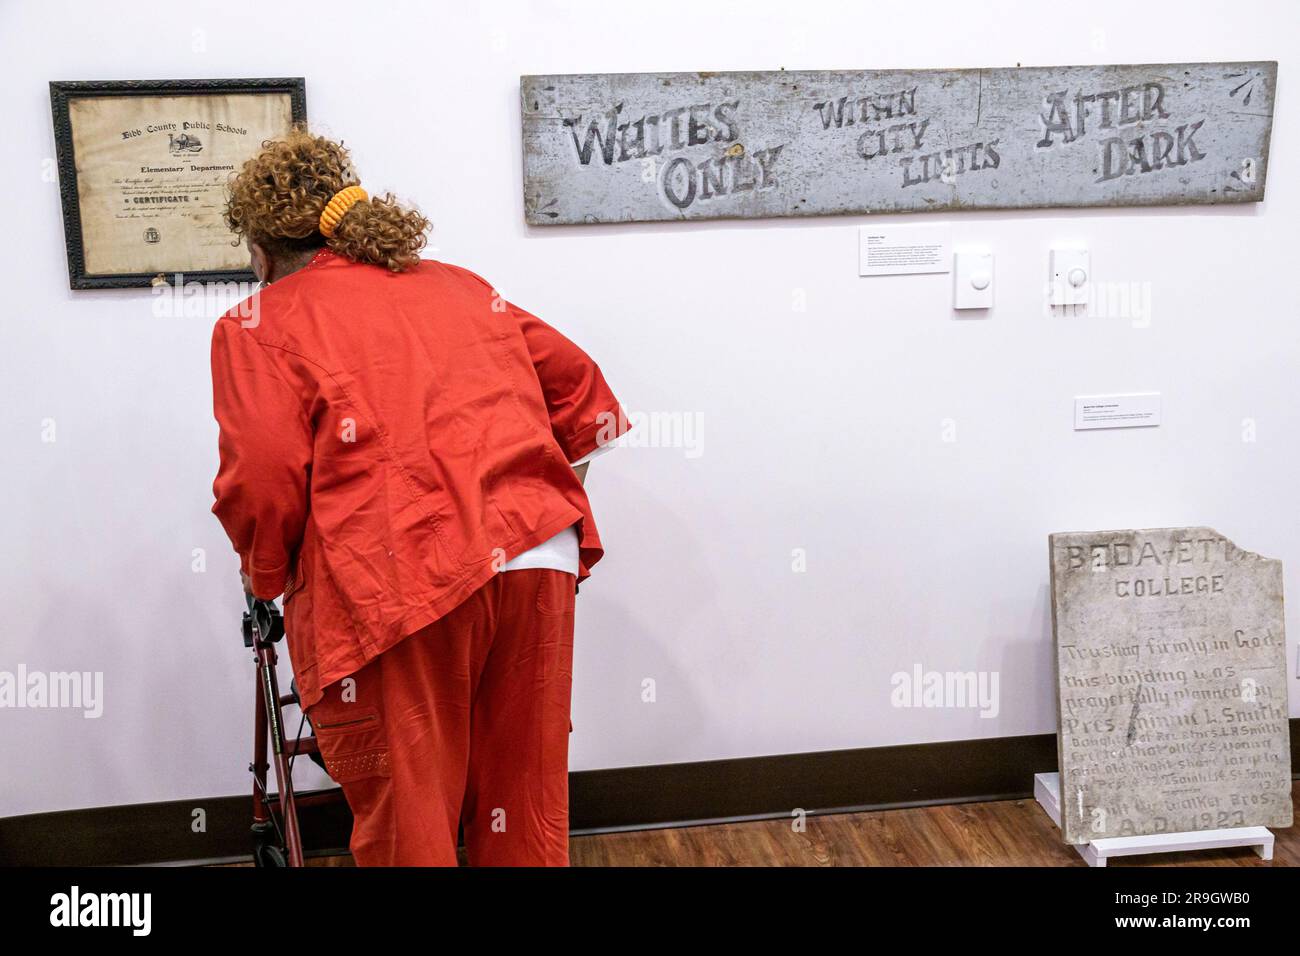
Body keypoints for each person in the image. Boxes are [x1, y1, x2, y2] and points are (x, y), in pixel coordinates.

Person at [210, 128, 628, 866]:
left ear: (263, 248)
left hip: (400, 581)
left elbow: (264, 479)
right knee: (521, 804)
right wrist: (538, 502)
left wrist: (265, 575)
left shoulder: (258, 324)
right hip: (537, 558)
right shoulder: (457, 285)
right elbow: (586, 396)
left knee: (412, 818)